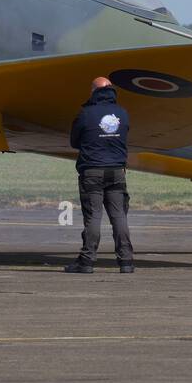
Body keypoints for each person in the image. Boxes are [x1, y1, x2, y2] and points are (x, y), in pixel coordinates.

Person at [64, 77, 134, 273]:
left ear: (93, 91)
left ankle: (87, 261)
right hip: (117, 171)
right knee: (119, 216)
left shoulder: (85, 114)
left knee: (93, 217)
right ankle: (126, 261)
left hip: (92, 170)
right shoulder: (123, 114)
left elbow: (74, 142)